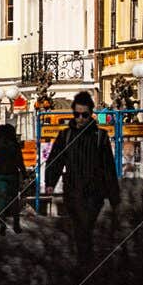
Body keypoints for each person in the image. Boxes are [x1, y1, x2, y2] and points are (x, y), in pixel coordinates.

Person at [44, 91, 119, 260]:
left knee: (86, 224)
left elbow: (108, 167)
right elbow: (55, 160)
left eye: (84, 115)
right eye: (77, 114)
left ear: (90, 114)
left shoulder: (100, 136)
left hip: (95, 191)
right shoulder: (65, 135)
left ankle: (84, 260)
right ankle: (84, 259)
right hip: (73, 190)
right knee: (80, 225)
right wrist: (50, 182)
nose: (80, 119)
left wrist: (114, 196)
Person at [0, 122, 27, 234]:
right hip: (13, 174)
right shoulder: (15, 145)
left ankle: (2, 225)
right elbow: (20, 161)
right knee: (14, 200)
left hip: (0, 175)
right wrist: (25, 174)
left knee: (1, 200)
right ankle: (16, 225)